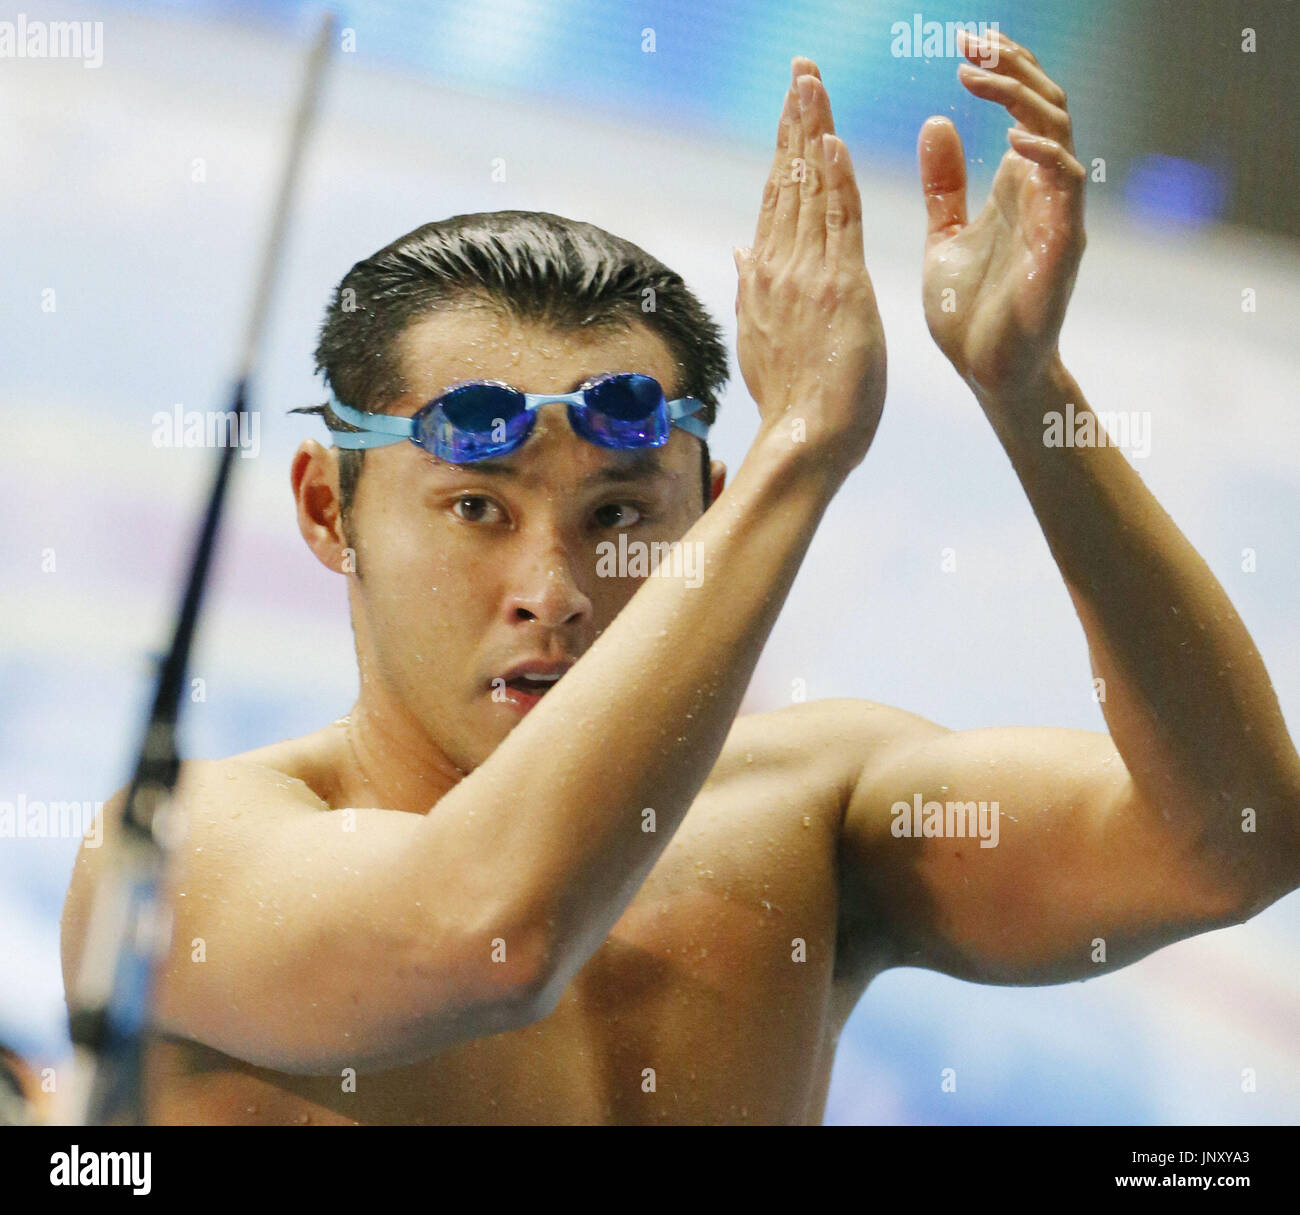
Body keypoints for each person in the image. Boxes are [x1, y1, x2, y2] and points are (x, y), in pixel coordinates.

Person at [61, 31, 1299, 1125]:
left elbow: (1229, 844)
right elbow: (484, 938)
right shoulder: (189, 857)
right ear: (330, 512)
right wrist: (801, 443)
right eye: (478, 508)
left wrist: (1026, 393)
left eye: (616, 514)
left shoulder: (813, 812)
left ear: (705, 516)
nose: (553, 586)